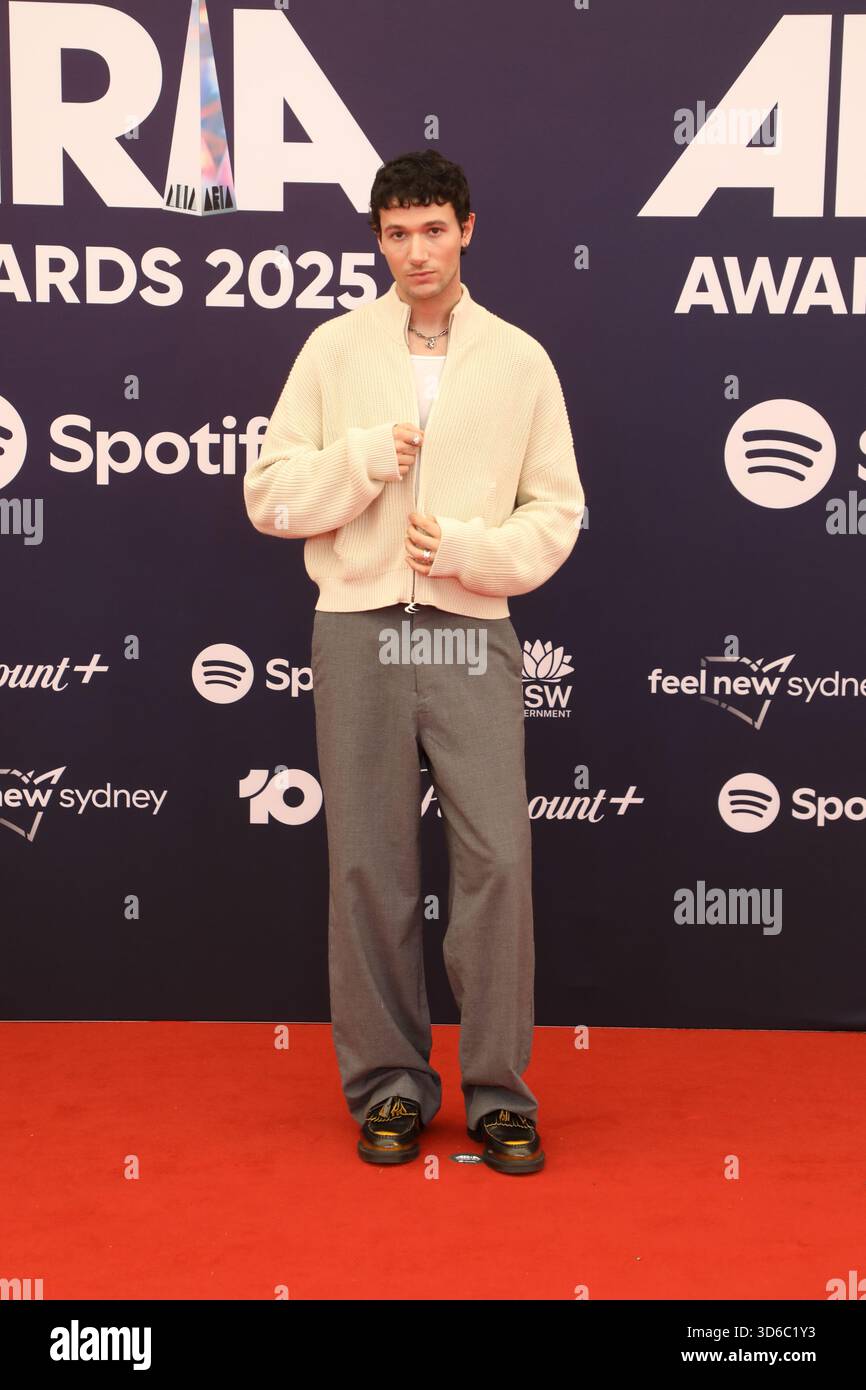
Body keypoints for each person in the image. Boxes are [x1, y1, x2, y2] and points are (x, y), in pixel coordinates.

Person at [244, 150, 585, 1175]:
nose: (416, 251)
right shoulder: (333, 348)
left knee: (497, 861)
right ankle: (390, 1086)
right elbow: (268, 496)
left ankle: (499, 1095)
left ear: (466, 229)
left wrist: (472, 554)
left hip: (469, 632)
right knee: (368, 866)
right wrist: (359, 462)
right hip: (357, 629)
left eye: (433, 229)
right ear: (378, 240)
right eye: (396, 234)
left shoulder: (519, 359)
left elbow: (556, 510)